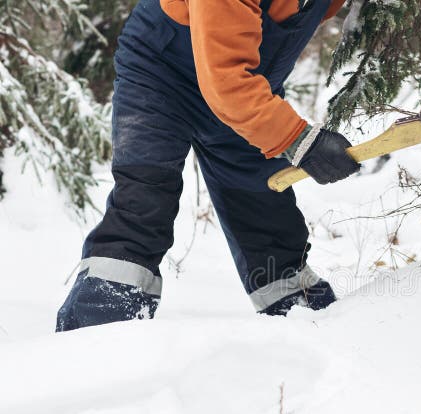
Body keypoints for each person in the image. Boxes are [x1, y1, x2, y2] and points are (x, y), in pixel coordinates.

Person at [56, 0, 360, 332]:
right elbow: (226, 81)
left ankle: (309, 327)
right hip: (161, 78)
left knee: (265, 213)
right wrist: (301, 140)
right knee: (144, 202)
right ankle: (95, 333)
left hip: (247, 88)